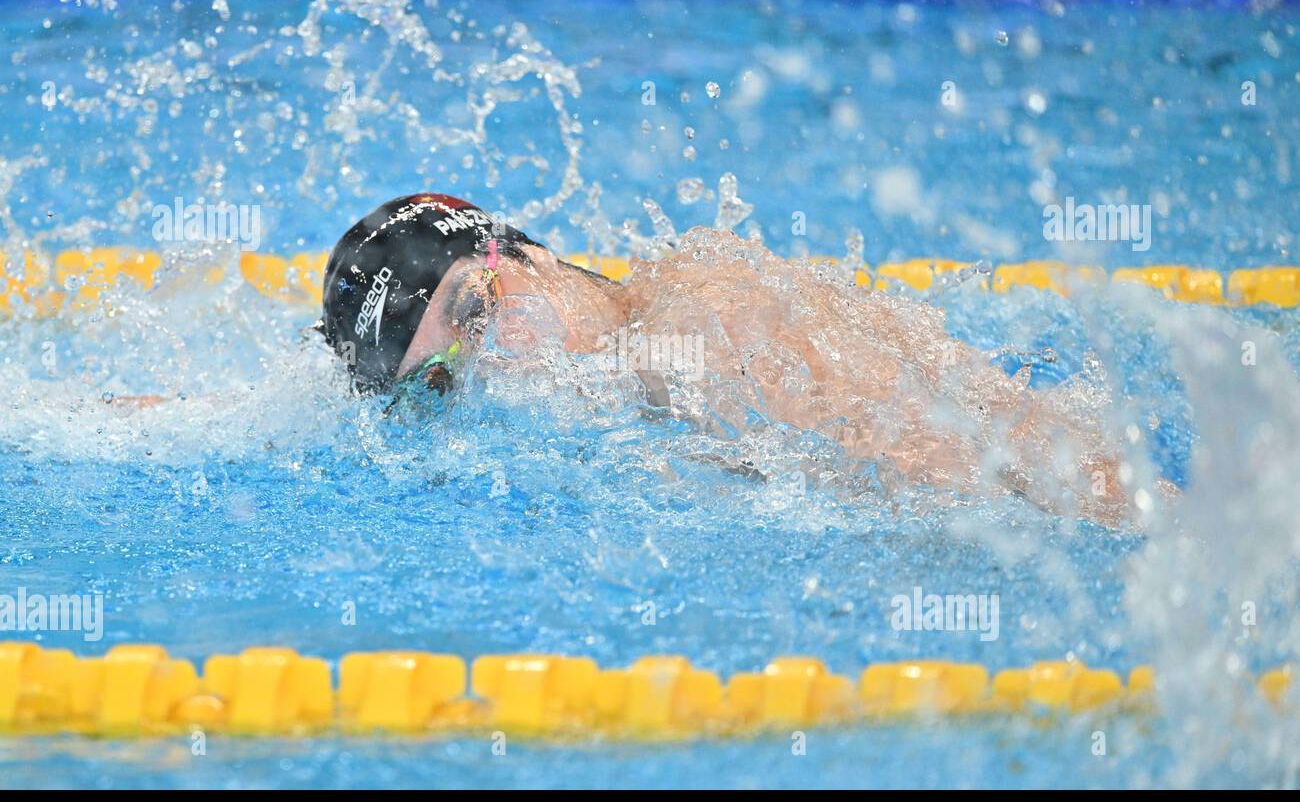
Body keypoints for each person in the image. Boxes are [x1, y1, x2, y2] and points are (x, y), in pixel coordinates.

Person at [320, 193, 1132, 525]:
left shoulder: (702, 332)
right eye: (440, 381)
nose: (496, 365)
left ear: (528, 257)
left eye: (479, 311)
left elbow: (1010, 479)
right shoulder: (647, 379)